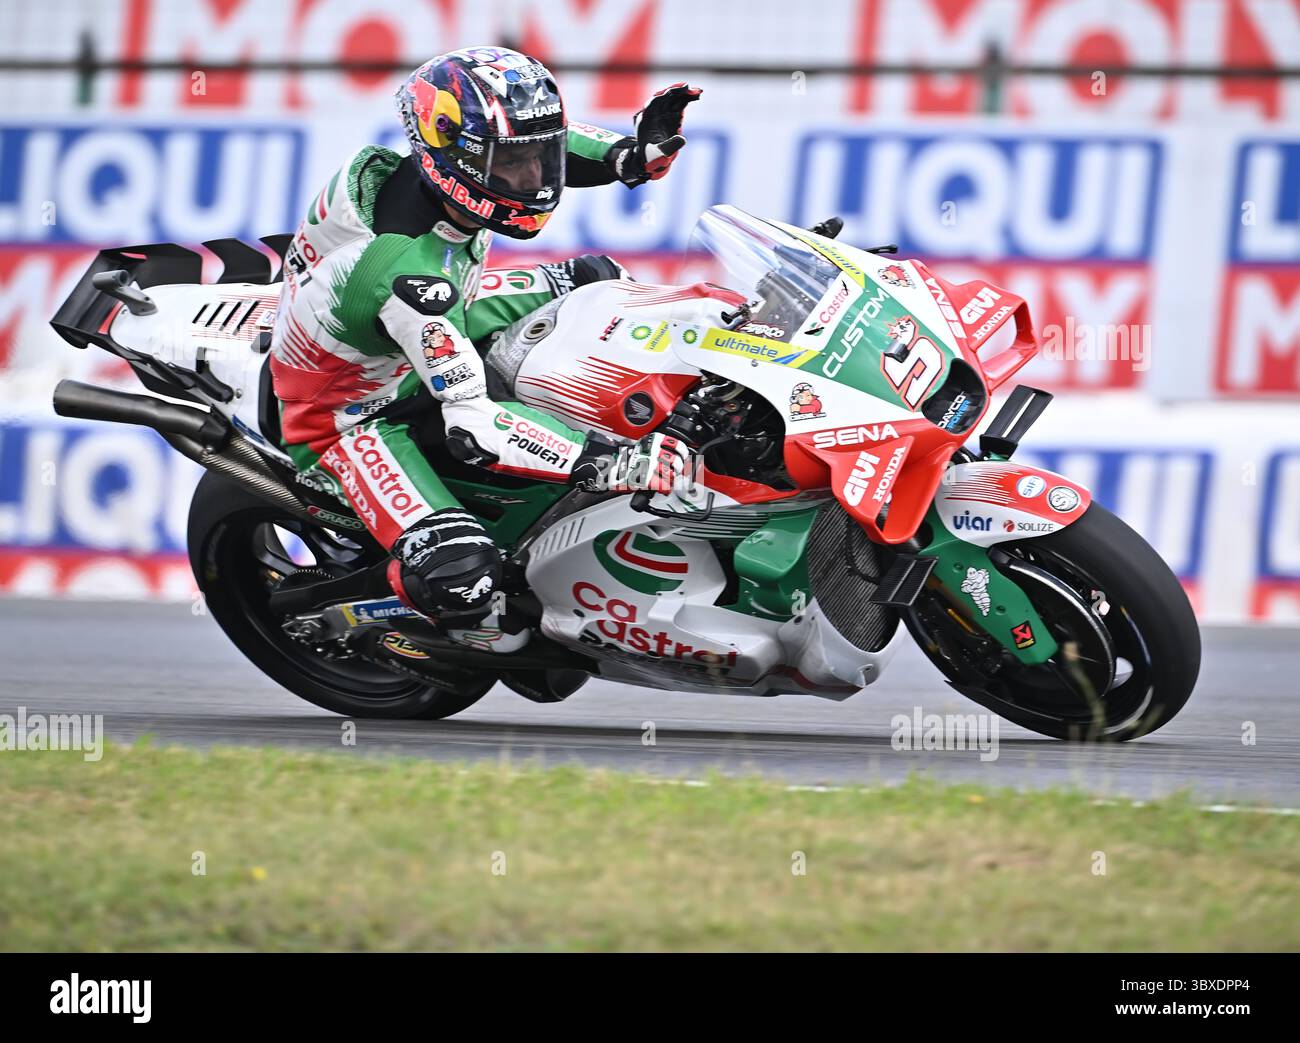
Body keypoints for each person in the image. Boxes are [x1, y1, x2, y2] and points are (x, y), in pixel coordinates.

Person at [270, 46, 702, 625]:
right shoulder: (407, 274)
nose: (537, 178)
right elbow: (473, 422)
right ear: (456, 157)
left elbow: (550, 142)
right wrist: (613, 459)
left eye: (538, 158)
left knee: (593, 279)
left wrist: (632, 156)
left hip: (423, 323)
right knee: (463, 576)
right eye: (512, 166)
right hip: (353, 418)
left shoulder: (442, 170)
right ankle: (342, 613)